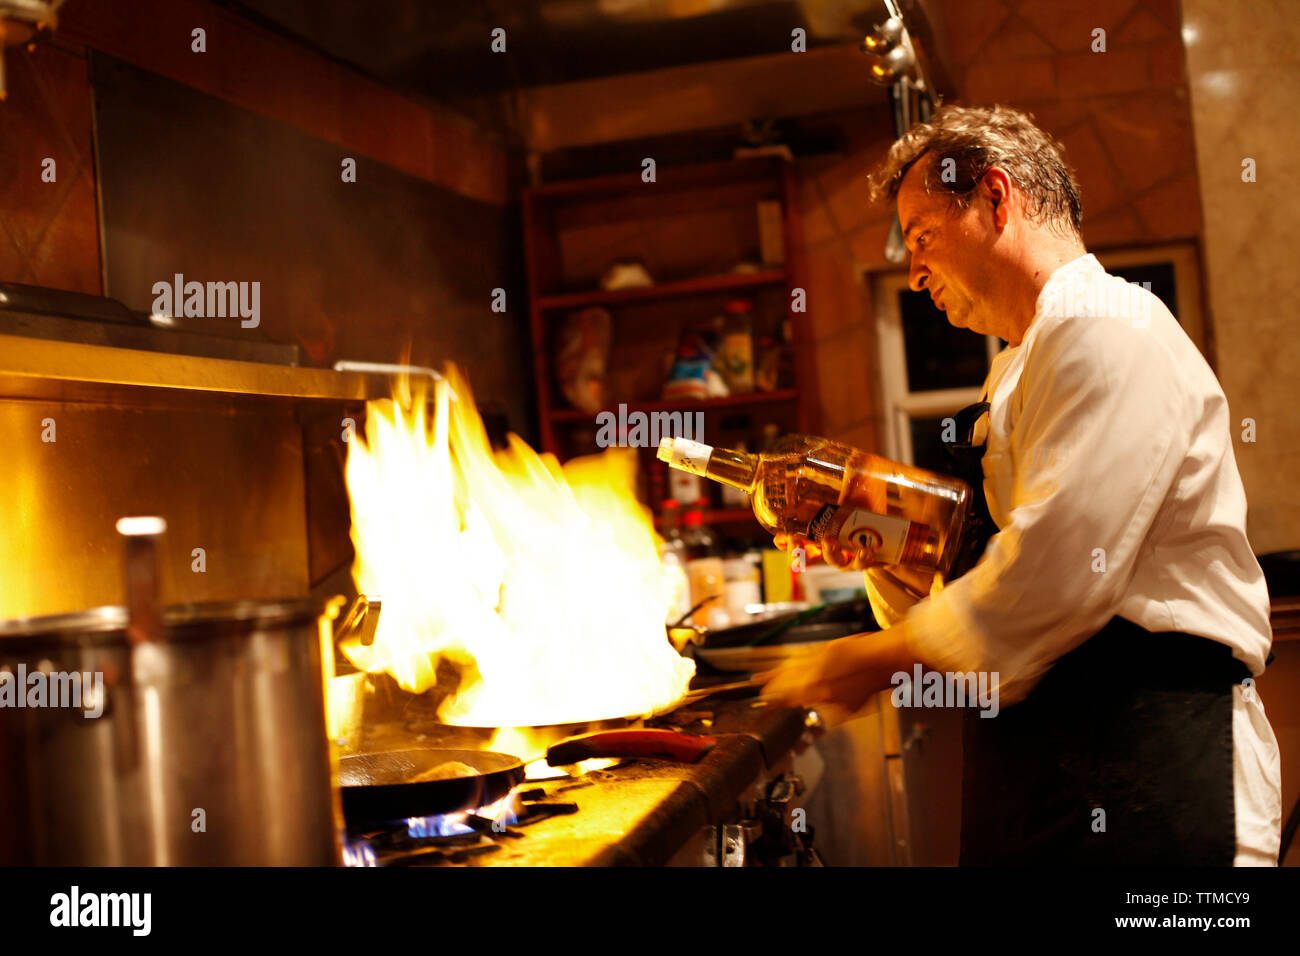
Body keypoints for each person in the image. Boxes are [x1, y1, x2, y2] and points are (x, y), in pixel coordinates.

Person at [762, 104, 1281, 866]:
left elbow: (1057, 571)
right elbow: (985, 573)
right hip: (1052, 768)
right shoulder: (1015, 369)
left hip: (1157, 763)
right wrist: (879, 542)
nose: (915, 274)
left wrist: (877, 659)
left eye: (921, 237)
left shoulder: (1106, 324)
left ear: (996, 199)